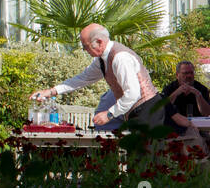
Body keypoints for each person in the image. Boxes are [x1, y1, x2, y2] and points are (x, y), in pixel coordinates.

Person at [30, 23, 164, 129]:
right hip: (136, 112)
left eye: (85, 46)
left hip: (148, 111)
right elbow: (82, 78)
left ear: (99, 42)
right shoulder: (102, 59)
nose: (85, 50)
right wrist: (51, 91)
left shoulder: (120, 58)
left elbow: (133, 93)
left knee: (147, 161)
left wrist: (110, 114)